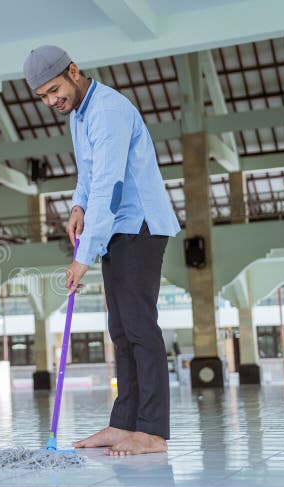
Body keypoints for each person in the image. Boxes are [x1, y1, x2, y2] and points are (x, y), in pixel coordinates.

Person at [23, 46, 181, 456]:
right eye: (43, 97)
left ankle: (153, 432)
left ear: (74, 72)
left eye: (55, 90)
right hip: (116, 228)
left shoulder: (107, 111)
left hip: (138, 225)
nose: (52, 101)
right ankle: (124, 423)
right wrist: (77, 205)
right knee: (121, 330)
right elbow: (88, 173)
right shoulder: (79, 114)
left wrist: (83, 257)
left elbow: (110, 186)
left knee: (140, 327)